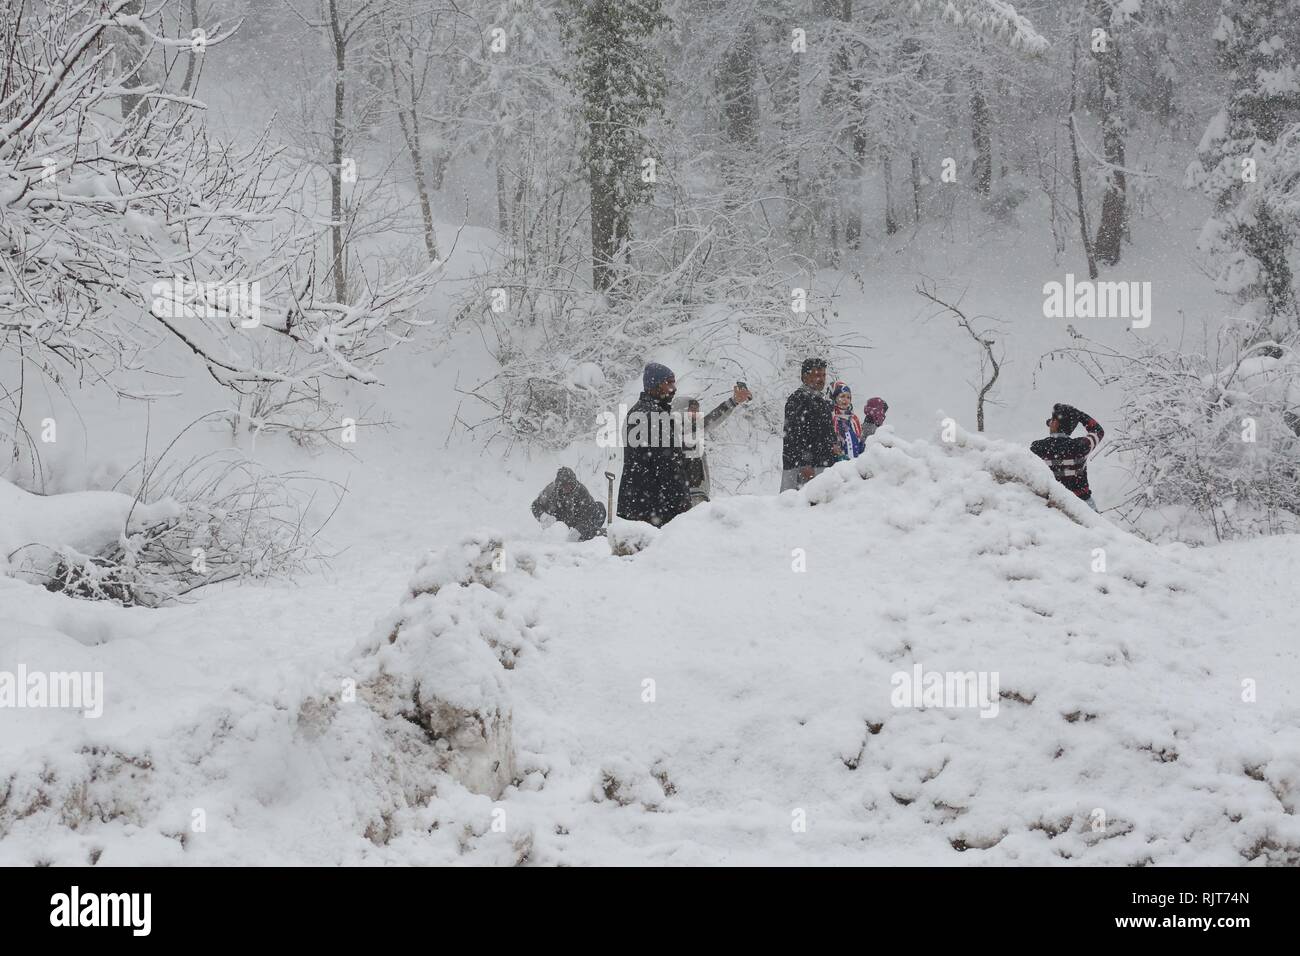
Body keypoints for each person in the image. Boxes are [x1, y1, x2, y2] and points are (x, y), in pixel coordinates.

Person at [617, 362, 691, 526]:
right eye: (668, 383)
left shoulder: (636, 412)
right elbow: (668, 466)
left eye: (674, 382)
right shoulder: (655, 417)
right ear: (654, 385)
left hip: (634, 506)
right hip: (656, 508)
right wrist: (683, 504)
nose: (673, 388)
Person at [676, 383, 753, 506]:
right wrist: (733, 402)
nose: (696, 416)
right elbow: (712, 419)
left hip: (691, 497)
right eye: (692, 412)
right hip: (690, 499)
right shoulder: (684, 433)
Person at [1030, 403, 1105, 511]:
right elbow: (1098, 430)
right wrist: (1079, 415)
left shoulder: (1037, 448)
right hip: (1083, 506)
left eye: (1052, 420)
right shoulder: (1081, 446)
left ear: (1055, 423)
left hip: (1053, 507)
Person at [781, 358, 837, 491]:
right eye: (817, 375)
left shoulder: (821, 401)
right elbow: (793, 435)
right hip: (803, 468)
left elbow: (824, 431)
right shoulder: (798, 399)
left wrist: (833, 444)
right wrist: (804, 464)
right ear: (805, 376)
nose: (821, 379)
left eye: (823, 375)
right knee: (798, 507)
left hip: (823, 465)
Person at [531, 467, 606, 540]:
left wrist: (580, 529)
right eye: (564, 485)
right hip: (559, 525)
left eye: (569, 484)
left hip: (578, 522)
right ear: (559, 484)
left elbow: (588, 516)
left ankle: (595, 533)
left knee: (599, 508)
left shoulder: (582, 492)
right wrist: (544, 517)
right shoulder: (551, 490)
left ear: (573, 482)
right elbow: (535, 505)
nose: (567, 487)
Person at [829, 381, 865, 461]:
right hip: (839, 465)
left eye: (848, 397)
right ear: (835, 398)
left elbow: (860, 441)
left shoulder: (853, 420)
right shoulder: (832, 418)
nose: (845, 400)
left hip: (855, 463)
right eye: (842, 396)